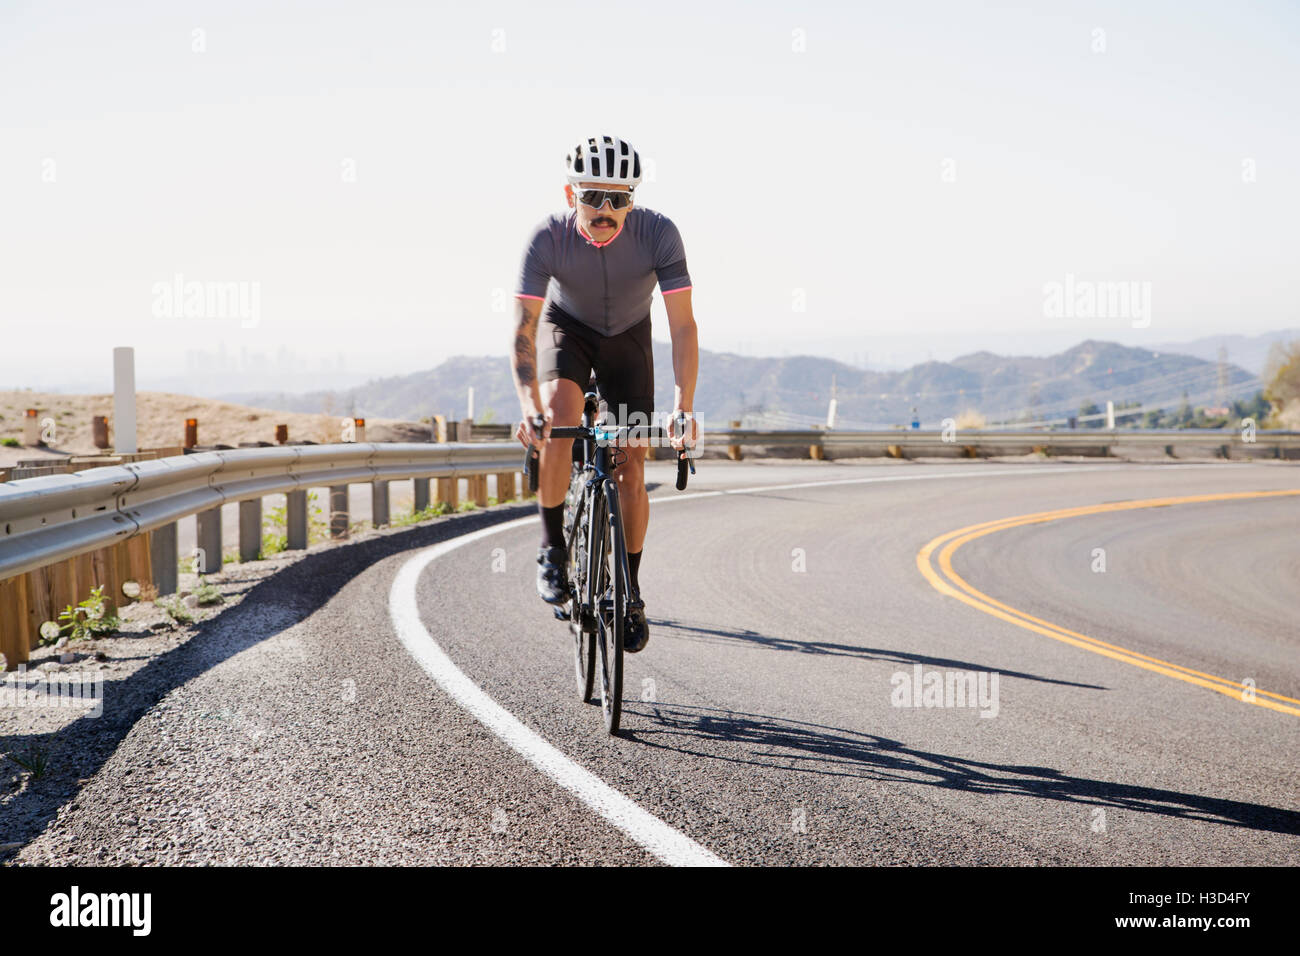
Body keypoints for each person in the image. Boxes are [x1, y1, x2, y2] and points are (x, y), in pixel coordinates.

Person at [510, 134, 699, 654]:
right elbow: (524, 332)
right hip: (565, 331)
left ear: (632, 200)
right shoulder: (546, 238)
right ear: (572, 196)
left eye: (618, 198)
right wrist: (529, 407)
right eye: (594, 196)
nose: (606, 210)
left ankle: (630, 591)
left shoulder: (659, 234)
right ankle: (553, 552)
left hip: (629, 341)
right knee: (559, 416)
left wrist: (683, 409)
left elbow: (682, 327)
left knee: (632, 464)